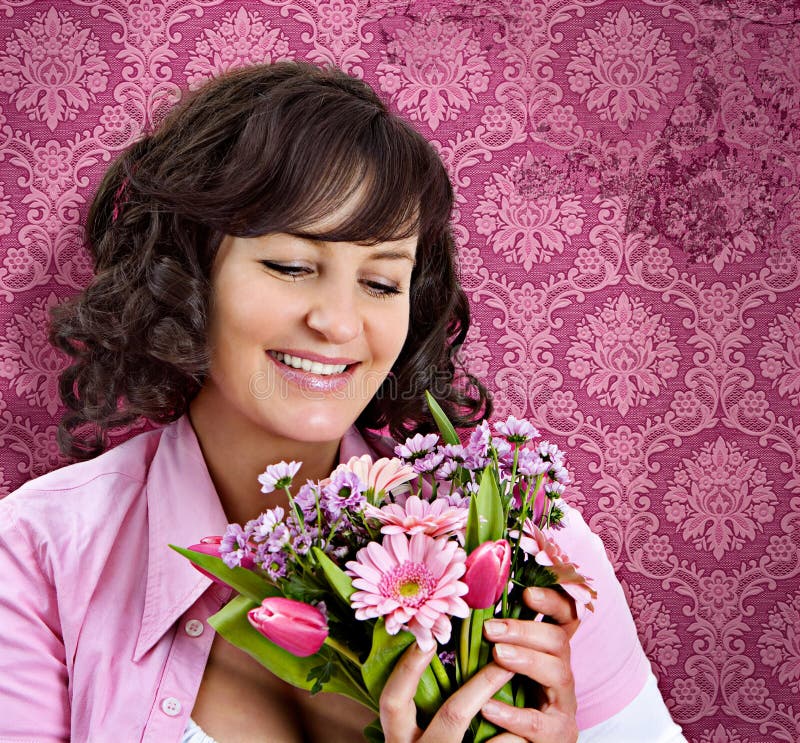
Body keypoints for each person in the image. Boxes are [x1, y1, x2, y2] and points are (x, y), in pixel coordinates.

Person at [0, 61, 685, 743]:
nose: (339, 323)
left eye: (381, 282)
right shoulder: (39, 554)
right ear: (188, 273)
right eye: (292, 266)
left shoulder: (528, 550)